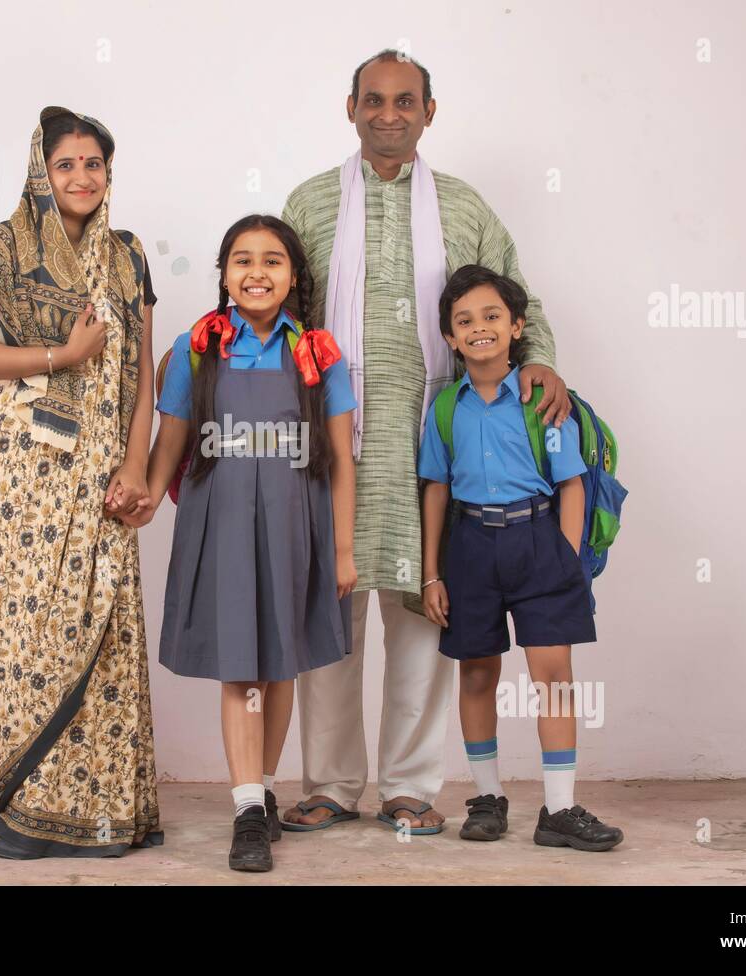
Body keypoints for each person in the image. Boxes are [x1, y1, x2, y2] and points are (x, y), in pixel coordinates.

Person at [280, 50, 572, 833]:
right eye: (373, 100)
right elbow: (274, 305)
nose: (389, 113)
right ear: (350, 108)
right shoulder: (310, 203)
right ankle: (331, 785)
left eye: (405, 101)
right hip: (329, 445)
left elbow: (516, 296)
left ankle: (409, 785)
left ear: (429, 112)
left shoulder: (465, 208)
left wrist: (538, 356)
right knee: (328, 617)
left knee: (422, 612)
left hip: (432, 445)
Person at [0, 106, 163, 858]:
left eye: (93, 164)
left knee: (101, 637)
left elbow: (142, 374)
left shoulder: (127, 256)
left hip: (103, 470)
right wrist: (61, 355)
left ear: (109, 173)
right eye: (64, 165)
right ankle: (26, 814)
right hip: (22, 479)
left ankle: (100, 816)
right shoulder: (7, 245)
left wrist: (137, 464)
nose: (80, 177)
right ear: (42, 173)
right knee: (27, 635)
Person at [136, 214, 358, 871]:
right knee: (241, 664)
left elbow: (342, 459)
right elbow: (170, 441)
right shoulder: (198, 348)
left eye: (271, 261)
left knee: (279, 664)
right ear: (224, 274)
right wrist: (141, 500)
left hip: (296, 523)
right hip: (223, 520)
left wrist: (343, 550)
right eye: (241, 260)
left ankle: (258, 787)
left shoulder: (319, 353)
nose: (256, 273)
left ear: (293, 276)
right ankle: (247, 814)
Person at [418, 264, 622, 852]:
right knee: (477, 672)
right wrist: (433, 571)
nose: (479, 328)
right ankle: (486, 797)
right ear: (451, 339)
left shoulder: (540, 400)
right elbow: (434, 487)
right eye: (464, 321)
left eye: (491, 317)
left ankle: (559, 809)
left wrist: (565, 555)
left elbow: (574, 482)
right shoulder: (446, 410)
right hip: (470, 547)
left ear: (516, 327)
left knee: (553, 677)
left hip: (540, 541)